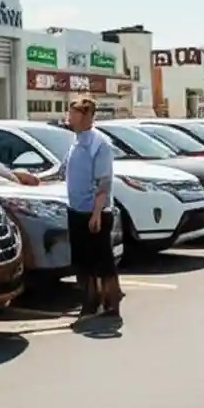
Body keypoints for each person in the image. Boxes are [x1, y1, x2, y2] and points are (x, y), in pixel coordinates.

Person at [64, 95, 123, 318]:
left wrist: (97, 212)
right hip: (76, 210)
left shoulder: (99, 144)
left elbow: (103, 182)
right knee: (82, 262)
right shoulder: (77, 141)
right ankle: (90, 300)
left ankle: (110, 303)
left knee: (102, 261)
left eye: (74, 113)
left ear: (87, 116)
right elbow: (65, 171)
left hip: (94, 212)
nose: (70, 117)